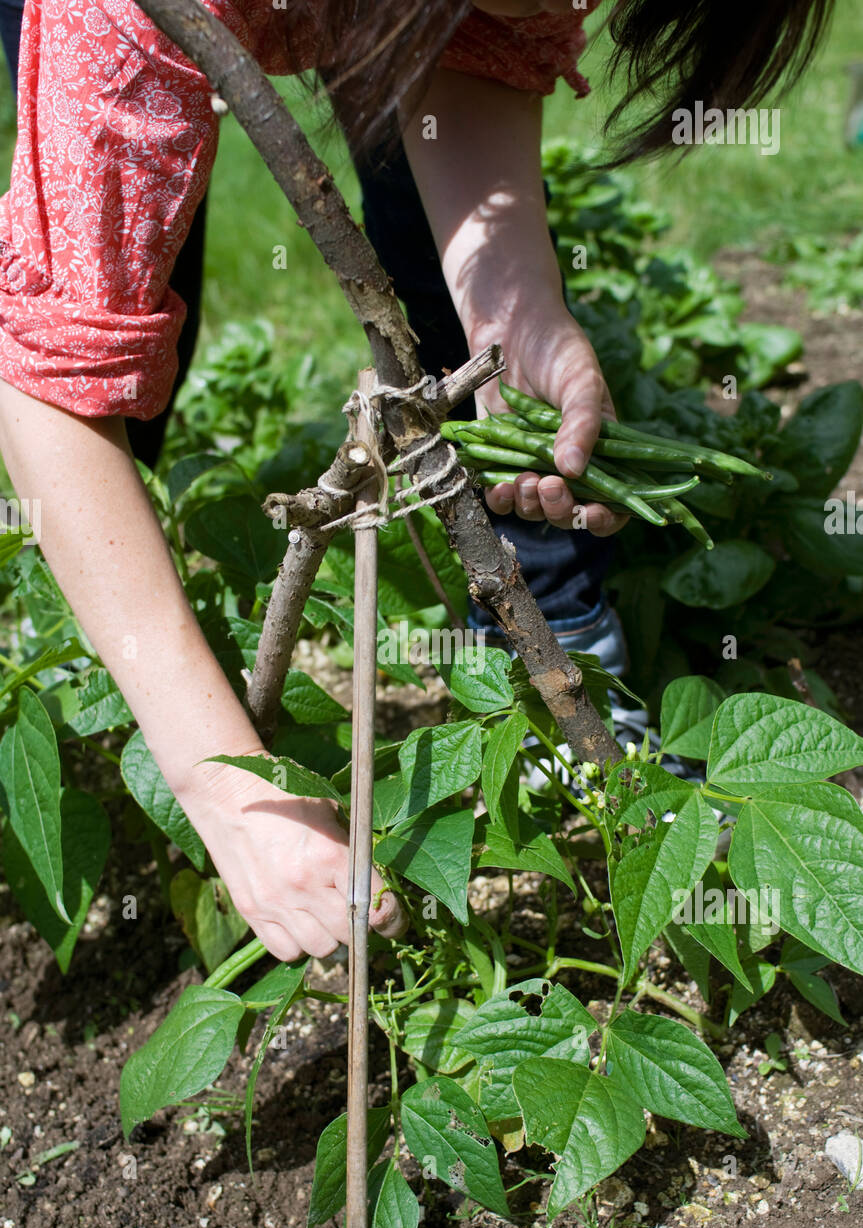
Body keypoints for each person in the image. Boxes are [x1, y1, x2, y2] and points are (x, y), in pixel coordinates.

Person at [0, 1, 833, 963]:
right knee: (124, 306)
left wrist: (513, 309)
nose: (571, 7)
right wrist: (228, 789)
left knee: (408, 195)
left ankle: (554, 641)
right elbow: (49, 391)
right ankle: (99, 638)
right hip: (142, 34)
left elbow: (471, 52)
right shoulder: (119, 20)